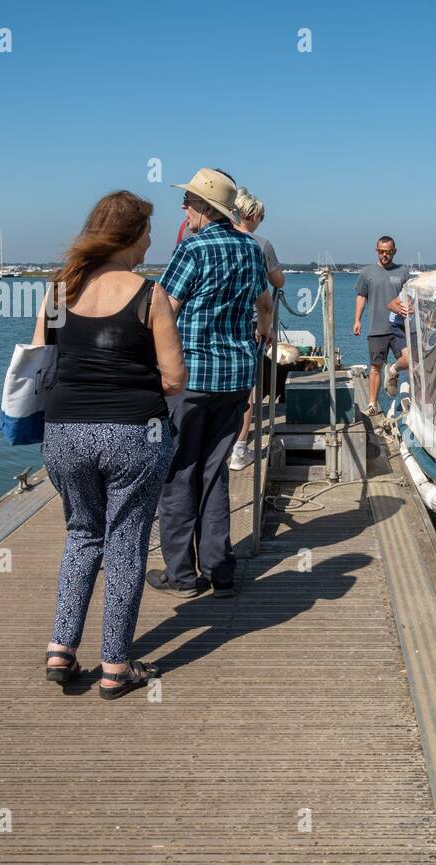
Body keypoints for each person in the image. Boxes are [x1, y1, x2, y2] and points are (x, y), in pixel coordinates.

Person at [35, 190, 187, 700]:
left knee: (82, 534)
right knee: (124, 544)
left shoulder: (60, 290)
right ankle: (116, 667)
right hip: (131, 434)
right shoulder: (151, 296)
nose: (152, 239)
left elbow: (39, 361)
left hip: (63, 433)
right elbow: (174, 379)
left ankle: (61, 649)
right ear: (129, 236)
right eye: (147, 230)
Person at [145, 168, 273, 599]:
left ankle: (182, 574)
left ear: (203, 207)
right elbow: (265, 304)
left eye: (188, 201)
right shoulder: (251, 249)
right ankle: (221, 570)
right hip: (237, 377)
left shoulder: (192, 248)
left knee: (180, 473)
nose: (183, 208)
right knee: (214, 472)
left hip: (191, 381)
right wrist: (265, 331)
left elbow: (165, 311)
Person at [229, 193, 284, 470]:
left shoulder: (211, 239)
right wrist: (266, 328)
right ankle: (239, 449)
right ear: (252, 215)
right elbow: (277, 281)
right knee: (247, 390)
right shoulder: (260, 245)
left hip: (219, 323)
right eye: (261, 216)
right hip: (250, 323)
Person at [353, 236, 409, 414]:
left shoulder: (403, 272)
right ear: (377, 251)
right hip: (377, 328)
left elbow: (410, 297)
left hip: (399, 327)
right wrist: (357, 320)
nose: (385, 255)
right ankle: (372, 404)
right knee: (375, 367)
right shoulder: (367, 272)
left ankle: (393, 372)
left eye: (389, 252)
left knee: (410, 361)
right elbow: (361, 296)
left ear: (395, 251)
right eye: (382, 252)